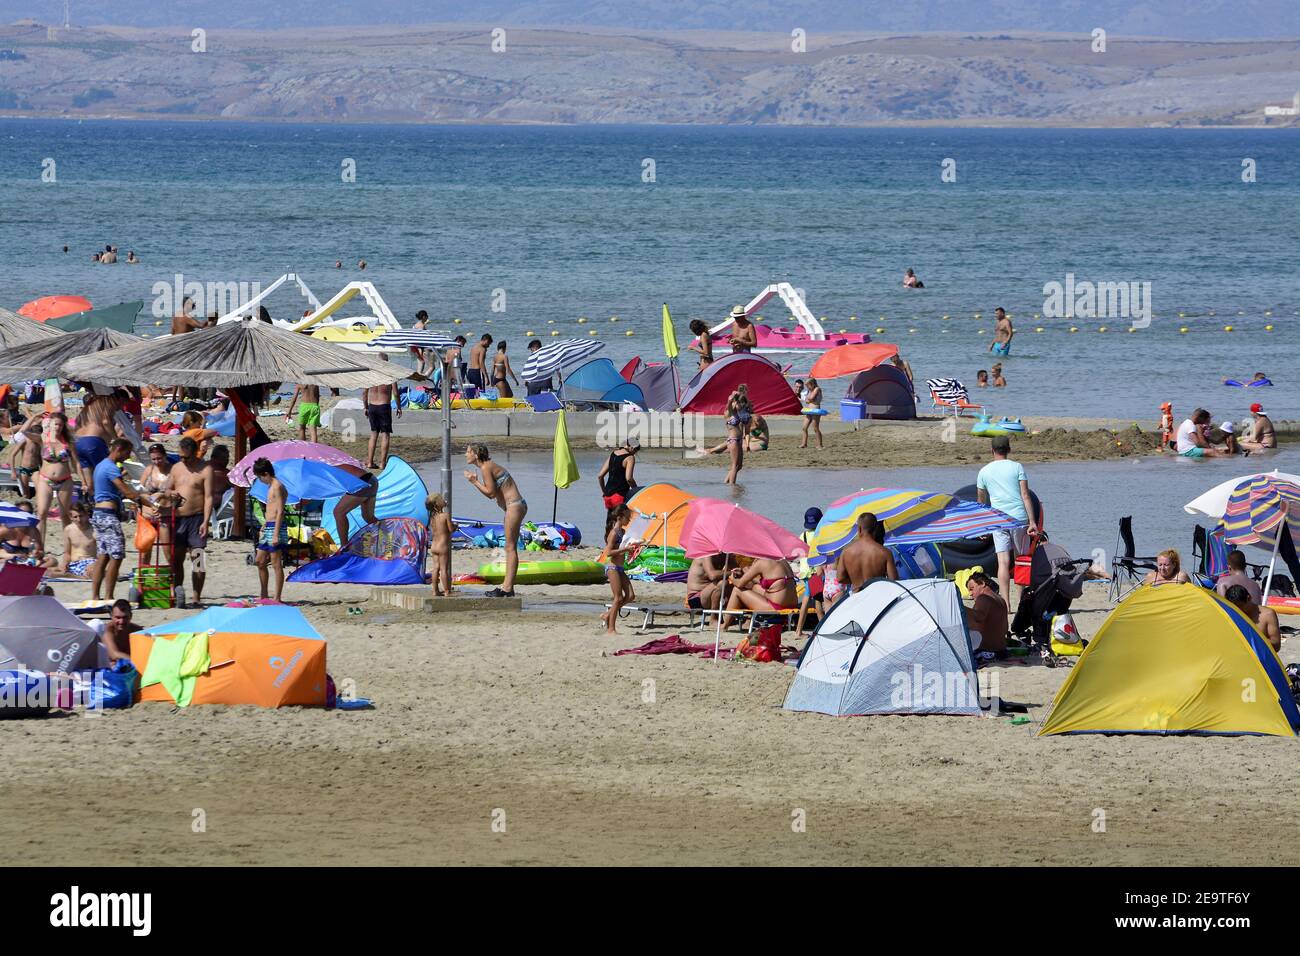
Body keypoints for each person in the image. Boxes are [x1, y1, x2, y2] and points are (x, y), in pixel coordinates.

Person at [976, 435, 1036, 604]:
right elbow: (1025, 495)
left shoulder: (984, 471)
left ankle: (1005, 603)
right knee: (1021, 560)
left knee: (1003, 562)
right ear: (1009, 449)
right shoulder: (1017, 467)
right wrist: (1032, 521)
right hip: (1018, 519)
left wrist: (983, 526)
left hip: (998, 519)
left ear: (992, 450)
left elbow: (981, 503)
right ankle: (1022, 600)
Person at [90, 438, 153, 602]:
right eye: (127, 452)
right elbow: (128, 492)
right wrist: (149, 503)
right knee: (116, 556)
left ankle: (95, 596)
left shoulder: (101, 465)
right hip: (107, 515)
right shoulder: (111, 468)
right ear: (118, 449)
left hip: (98, 514)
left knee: (103, 555)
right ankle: (109, 596)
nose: (128, 456)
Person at [464, 443, 526, 597]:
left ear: (476, 454)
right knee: (509, 548)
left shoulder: (485, 467)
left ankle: (507, 588)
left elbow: (491, 493)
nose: (465, 454)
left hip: (514, 506)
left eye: (468, 451)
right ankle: (507, 587)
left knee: (510, 548)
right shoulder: (487, 467)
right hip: (514, 506)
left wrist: (474, 481)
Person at [168, 437, 213, 606]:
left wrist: (206, 521)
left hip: (197, 517)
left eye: (186, 457)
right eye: (181, 456)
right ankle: (178, 592)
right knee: (177, 559)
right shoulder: (177, 468)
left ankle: (196, 597)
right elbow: (167, 488)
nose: (183, 460)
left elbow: (208, 497)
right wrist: (170, 493)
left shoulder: (205, 469)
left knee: (198, 559)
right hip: (179, 519)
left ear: (195, 453)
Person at [27, 409, 75, 559]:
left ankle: (69, 549)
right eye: (55, 424)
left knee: (65, 515)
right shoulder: (43, 438)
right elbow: (24, 432)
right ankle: (40, 548)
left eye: (60, 425)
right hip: (45, 479)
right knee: (41, 513)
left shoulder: (68, 442)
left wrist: (86, 481)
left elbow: (77, 463)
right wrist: (34, 417)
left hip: (65, 479)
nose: (57, 427)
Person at [723, 556, 797, 627]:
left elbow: (739, 584)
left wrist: (732, 578)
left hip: (777, 606)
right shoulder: (782, 560)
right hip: (792, 604)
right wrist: (746, 573)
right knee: (755, 588)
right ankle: (748, 621)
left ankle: (725, 624)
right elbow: (771, 581)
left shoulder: (761, 562)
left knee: (737, 590)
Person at [253, 458, 287, 602]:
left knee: (275, 563)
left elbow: (280, 511)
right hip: (269, 526)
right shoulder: (270, 486)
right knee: (259, 561)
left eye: (260, 477)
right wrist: (265, 524)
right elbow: (270, 509)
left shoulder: (277, 486)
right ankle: (264, 594)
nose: (260, 480)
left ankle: (277, 597)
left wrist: (275, 534)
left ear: (265, 473)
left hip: (276, 528)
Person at [834, 513, 897, 591]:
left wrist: (855, 581)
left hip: (858, 597)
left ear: (859, 529)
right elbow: (894, 581)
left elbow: (840, 578)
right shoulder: (885, 552)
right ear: (875, 529)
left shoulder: (846, 551)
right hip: (878, 595)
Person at [600, 505, 637, 634]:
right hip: (612, 567)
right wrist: (625, 549)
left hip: (620, 568)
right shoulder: (614, 532)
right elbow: (608, 552)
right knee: (618, 598)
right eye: (628, 517)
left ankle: (608, 614)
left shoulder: (623, 532)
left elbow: (621, 548)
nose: (629, 520)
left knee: (631, 595)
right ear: (620, 517)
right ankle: (611, 629)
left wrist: (631, 549)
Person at [74, 391, 117, 488]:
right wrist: (116, 439)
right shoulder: (102, 408)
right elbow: (106, 422)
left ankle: (90, 496)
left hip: (78, 442)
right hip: (93, 442)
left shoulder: (83, 413)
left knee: (89, 480)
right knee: (104, 474)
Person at [44, 500, 96, 577]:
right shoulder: (69, 530)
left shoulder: (94, 530)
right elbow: (67, 553)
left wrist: (95, 564)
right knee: (46, 572)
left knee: (93, 572)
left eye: (81, 516)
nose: (79, 520)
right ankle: (72, 575)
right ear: (71, 518)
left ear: (87, 515)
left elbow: (103, 554)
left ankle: (72, 576)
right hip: (73, 563)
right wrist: (65, 564)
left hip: (89, 562)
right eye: (75, 517)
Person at [597, 439, 638, 535]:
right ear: (632, 447)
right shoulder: (630, 458)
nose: (634, 453)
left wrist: (604, 492)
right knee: (622, 521)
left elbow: (600, 476)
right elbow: (629, 478)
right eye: (635, 451)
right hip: (619, 494)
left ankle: (608, 543)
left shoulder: (613, 454)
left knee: (610, 521)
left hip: (608, 495)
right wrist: (636, 490)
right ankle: (616, 544)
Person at [1224, 584, 1282, 652]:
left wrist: (1252, 639)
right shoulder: (1230, 614)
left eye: (1240, 606)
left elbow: (1276, 645)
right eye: (1235, 608)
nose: (1239, 610)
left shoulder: (1267, 614)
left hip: (1260, 657)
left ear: (1249, 598)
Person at [333, 462, 379, 547]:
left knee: (338, 512)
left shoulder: (324, 472)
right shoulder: (333, 465)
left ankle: (344, 547)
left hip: (362, 481)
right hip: (371, 479)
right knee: (368, 517)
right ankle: (389, 535)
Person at [965, 571, 1008, 655]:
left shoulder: (984, 598)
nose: (970, 594)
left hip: (987, 650)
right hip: (1001, 650)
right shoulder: (1001, 600)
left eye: (972, 588)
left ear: (982, 583)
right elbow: (1005, 628)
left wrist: (959, 607)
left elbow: (977, 618)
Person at [364, 372, 401, 470]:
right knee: (385, 435)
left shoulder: (371, 375)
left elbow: (364, 392)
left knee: (373, 434)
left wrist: (366, 407)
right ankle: (382, 464)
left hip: (372, 406)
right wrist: (399, 407)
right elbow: (396, 393)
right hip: (384, 406)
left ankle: (370, 462)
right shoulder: (390, 375)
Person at [425, 493, 456, 597]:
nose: (444, 500)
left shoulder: (432, 518)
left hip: (434, 546)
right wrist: (455, 526)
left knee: (435, 568)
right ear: (437, 504)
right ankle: (447, 591)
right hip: (443, 546)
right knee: (443, 569)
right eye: (442, 499)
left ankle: (435, 591)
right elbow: (450, 529)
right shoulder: (445, 516)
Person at [799, 377, 824, 450]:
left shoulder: (817, 389)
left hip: (816, 410)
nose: (807, 387)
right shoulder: (810, 390)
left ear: (812, 384)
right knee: (804, 427)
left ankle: (819, 445)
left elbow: (811, 398)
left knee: (815, 428)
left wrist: (808, 399)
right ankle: (804, 443)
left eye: (808, 385)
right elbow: (807, 401)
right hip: (809, 410)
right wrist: (808, 399)